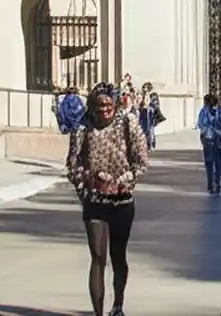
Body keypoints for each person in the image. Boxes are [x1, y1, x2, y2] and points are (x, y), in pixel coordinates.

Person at [66, 82, 149, 316]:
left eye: (108, 105)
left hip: (122, 200)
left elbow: (141, 162)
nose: (104, 110)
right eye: (99, 106)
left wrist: (122, 181)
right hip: (94, 202)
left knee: (118, 256)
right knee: (98, 257)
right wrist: (89, 182)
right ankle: (98, 313)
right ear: (92, 106)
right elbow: (72, 166)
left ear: (115, 105)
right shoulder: (82, 128)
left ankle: (118, 305)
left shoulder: (127, 123)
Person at [196, 93, 221, 193]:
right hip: (216, 139)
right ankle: (216, 182)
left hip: (208, 139)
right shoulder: (218, 113)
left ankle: (211, 183)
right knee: (218, 162)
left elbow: (201, 125)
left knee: (209, 162)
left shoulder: (203, 112)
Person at [137, 82, 162, 151]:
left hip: (150, 116)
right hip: (143, 115)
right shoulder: (141, 96)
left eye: (146, 88)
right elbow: (139, 104)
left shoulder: (152, 96)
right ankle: (145, 144)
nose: (144, 89)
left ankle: (151, 145)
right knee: (144, 130)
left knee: (150, 131)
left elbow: (152, 105)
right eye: (144, 88)